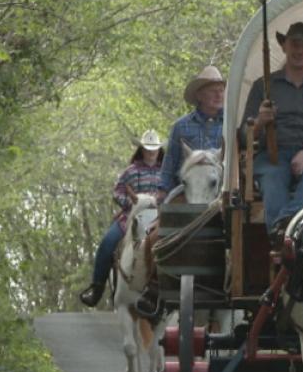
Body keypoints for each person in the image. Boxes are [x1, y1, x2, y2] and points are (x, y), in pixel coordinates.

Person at [242, 21, 303, 242]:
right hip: (273, 156)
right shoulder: (262, 86)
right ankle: (285, 236)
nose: (300, 51)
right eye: (294, 44)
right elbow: (242, 135)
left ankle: (286, 227)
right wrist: (259, 122)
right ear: (284, 47)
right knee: (272, 176)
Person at [78, 129, 166, 307]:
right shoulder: (130, 171)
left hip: (159, 218)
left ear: (159, 150)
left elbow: (173, 192)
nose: (151, 152)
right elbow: (117, 192)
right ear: (141, 149)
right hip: (130, 217)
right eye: (147, 149)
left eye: (154, 149)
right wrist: (131, 204)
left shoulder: (166, 172)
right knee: (107, 243)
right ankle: (97, 288)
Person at [160, 64, 225, 199]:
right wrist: (162, 193)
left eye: (221, 90)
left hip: (223, 194)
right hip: (185, 191)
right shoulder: (181, 126)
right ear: (200, 96)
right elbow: (169, 166)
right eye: (213, 91)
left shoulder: (231, 124)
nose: (219, 95)